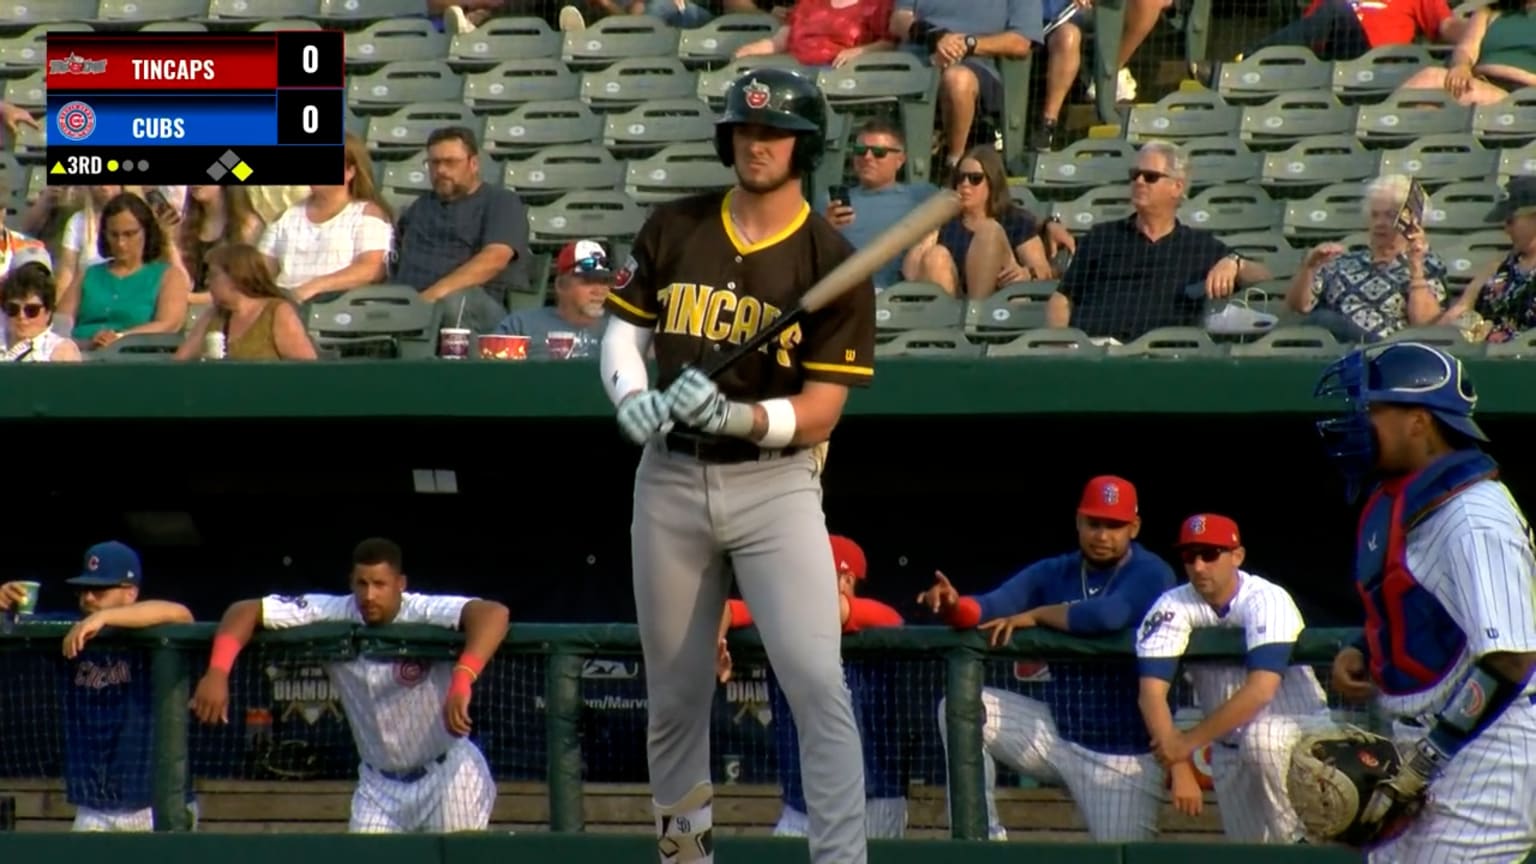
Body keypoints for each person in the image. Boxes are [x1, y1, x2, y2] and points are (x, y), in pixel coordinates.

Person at [598, 66, 876, 864]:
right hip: (670, 479)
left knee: (817, 684)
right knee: (676, 701)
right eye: (747, 130)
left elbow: (822, 410)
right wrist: (631, 397)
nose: (758, 144)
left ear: (805, 146)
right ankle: (686, 859)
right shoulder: (675, 224)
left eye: (776, 132)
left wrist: (742, 417)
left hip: (776, 485)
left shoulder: (833, 258)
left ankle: (841, 860)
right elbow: (623, 335)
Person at [1315, 341, 1536, 862]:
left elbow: (1511, 657)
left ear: (1420, 421)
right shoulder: (1411, 499)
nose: (1358, 421)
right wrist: (1363, 648)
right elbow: (1421, 606)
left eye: (1373, 409)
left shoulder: (1474, 518)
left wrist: (1427, 760)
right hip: (1433, 746)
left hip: (1487, 750)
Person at [188, 538, 512, 833]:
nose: (369, 595)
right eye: (362, 583)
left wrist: (463, 676)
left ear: (400, 584)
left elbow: (494, 614)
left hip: (446, 775)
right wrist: (217, 672)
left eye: (380, 584)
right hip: (379, 783)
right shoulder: (334, 611)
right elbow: (245, 610)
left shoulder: (422, 610)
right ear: (351, 583)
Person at [921, 475, 1176, 841]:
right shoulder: (1056, 570)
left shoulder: (1151, 571)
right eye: (1094, 523)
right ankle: (983, 841)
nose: (1102, 535)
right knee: (961, 708)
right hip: (1056, 734)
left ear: (1133, 527)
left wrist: (1039, 615)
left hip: (1121, 757)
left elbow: (1109, 616)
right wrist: (954, 607)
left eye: (1114, 525)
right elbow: (993, 604)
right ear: (1078, 522)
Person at [1135, 513, 1332, 844]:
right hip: (1229, 750)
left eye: (1210, 555)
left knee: (1263, 737)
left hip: (1301, 735)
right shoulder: (1173, 604)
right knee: (1248, 853)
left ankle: (1299, 845)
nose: (1198, 566)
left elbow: (1261, 691)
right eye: (1189, 556)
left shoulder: (1267, 598)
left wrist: (1187, 742)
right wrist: (1179, 763)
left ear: (1237, 556)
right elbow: (1150, 694)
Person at [717, 535, 906, 839]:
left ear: (846, 580)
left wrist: (776, 607)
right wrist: (717, 638)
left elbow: (866, 616)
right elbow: (726, 608)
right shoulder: (783, 613)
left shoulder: (879, 616)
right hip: (801, 804)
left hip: (871, 800)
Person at [0, 542, 196, 831]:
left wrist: (104, 617)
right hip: (94, 806)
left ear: (131, 592)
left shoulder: (151, 631)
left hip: (154, 804)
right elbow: (14, 626)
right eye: (84, 589)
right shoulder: (71, 631)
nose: (88, 597)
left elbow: (181, 614)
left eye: (100, 591)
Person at [175, 243, 318, 362]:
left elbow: (305, 369)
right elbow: (180, 362)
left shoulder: (276, 312)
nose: (207, 282)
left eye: (212, 276)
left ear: (236, 278)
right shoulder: (214, 316)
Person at [1, 251, 81, 363]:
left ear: (48, 312)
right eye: (13, 309)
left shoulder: (61, 350)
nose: (21, 316)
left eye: (31, 310)